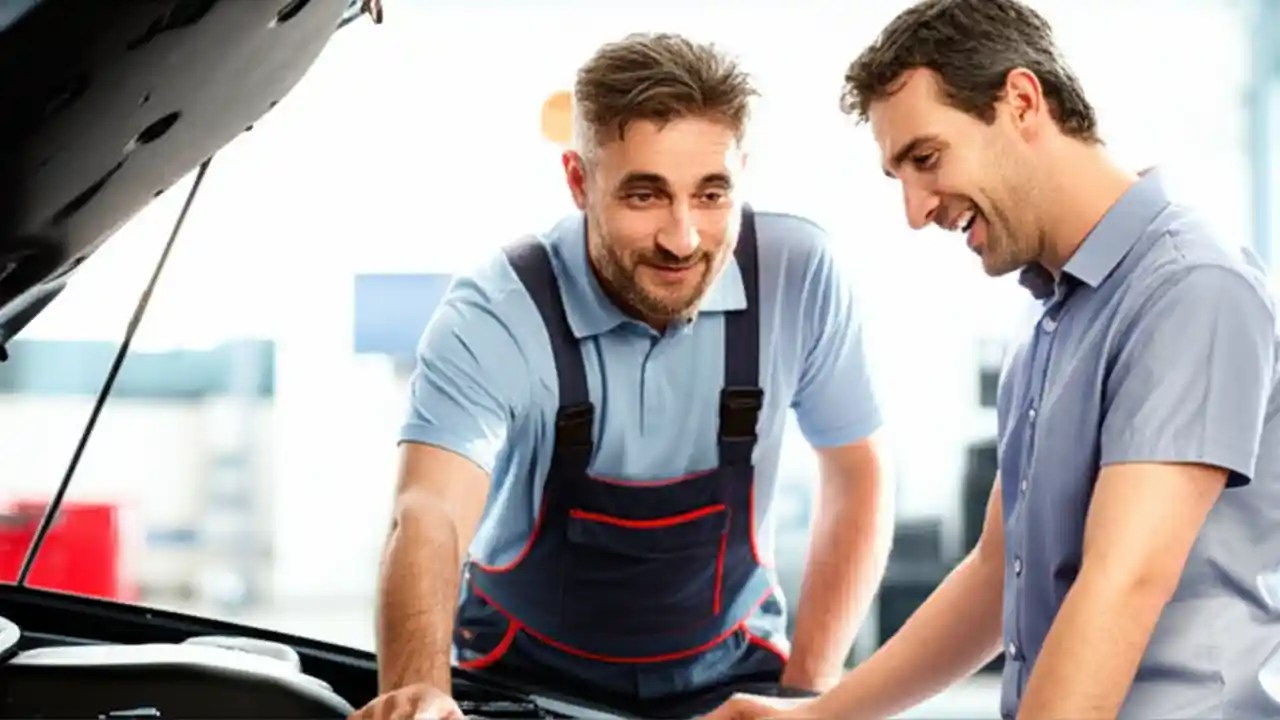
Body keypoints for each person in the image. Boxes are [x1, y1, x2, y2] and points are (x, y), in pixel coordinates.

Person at [707, 1, 1280, 719]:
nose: (916, 210)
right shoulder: (1053, 318)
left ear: (1021, 102)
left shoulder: (1191, 289)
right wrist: (818, 717)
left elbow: (1122, 583)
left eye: (926, 159)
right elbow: (993, 577)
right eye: (899, 177)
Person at [348, 31, 893, 720]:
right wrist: (420, 689)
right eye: (645, 196)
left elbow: (858, 473)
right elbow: (426, 512)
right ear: (579, 181)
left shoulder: (798, 272)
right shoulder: (497, 310)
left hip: (735, 677)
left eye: (711, 194)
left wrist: (807, 692)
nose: (683, 237)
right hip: (524, 679)